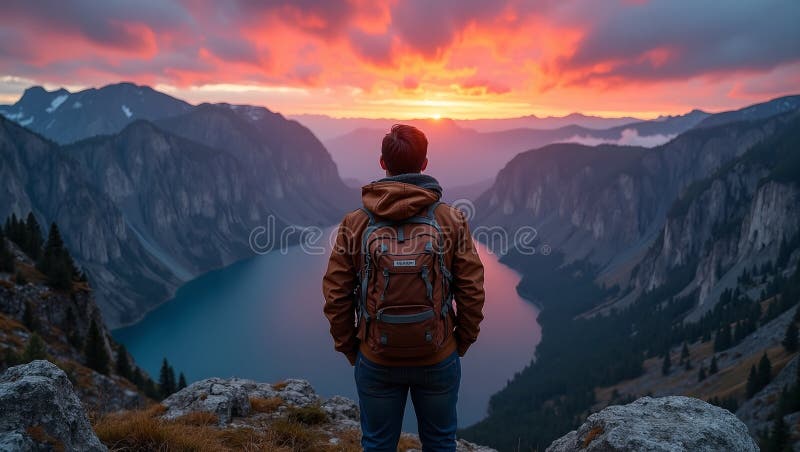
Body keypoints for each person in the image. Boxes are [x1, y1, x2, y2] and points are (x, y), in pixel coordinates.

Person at [322, 124, 486, 451]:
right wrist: (458, 342)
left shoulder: (356, 223)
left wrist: (353, 347)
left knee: (378, 444)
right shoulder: (450, 219)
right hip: (437, 355)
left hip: (376, 357)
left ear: (382, 163)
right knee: (440, 442)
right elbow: (472, 289)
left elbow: (336, 294)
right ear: (425, 164)